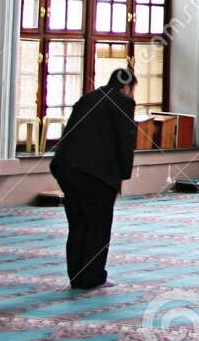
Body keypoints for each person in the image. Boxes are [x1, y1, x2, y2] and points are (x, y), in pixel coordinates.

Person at [49, 68, 138, 289]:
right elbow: (125, 141)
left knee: (78, 223)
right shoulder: (123, 102)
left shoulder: (88, 98)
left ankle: (76, 276)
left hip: (66, 168)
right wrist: (123, 174)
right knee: (98, 225)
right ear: (126, 87)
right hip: (97, 174)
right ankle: (92, 277)